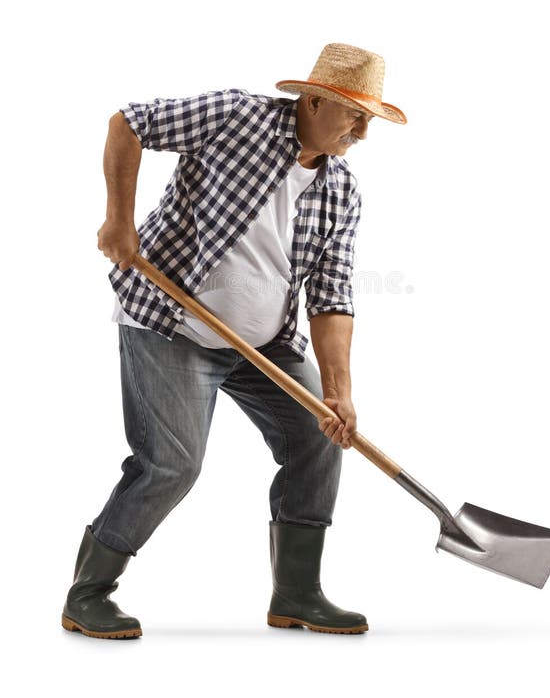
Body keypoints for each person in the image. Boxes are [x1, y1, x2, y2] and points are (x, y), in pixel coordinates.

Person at [61, 42, 407, 639]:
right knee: (171, 465)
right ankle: (88, 594)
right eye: (356, 116)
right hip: (171, 323)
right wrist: (119, 218)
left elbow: (332, 297)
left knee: (318, 435)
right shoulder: (234, 116)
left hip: (264, 343)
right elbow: (130, 123)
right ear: (318, 100)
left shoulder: (342, 191)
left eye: (370, 121)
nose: (363, 133)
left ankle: (297, 594)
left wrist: (339, 392)